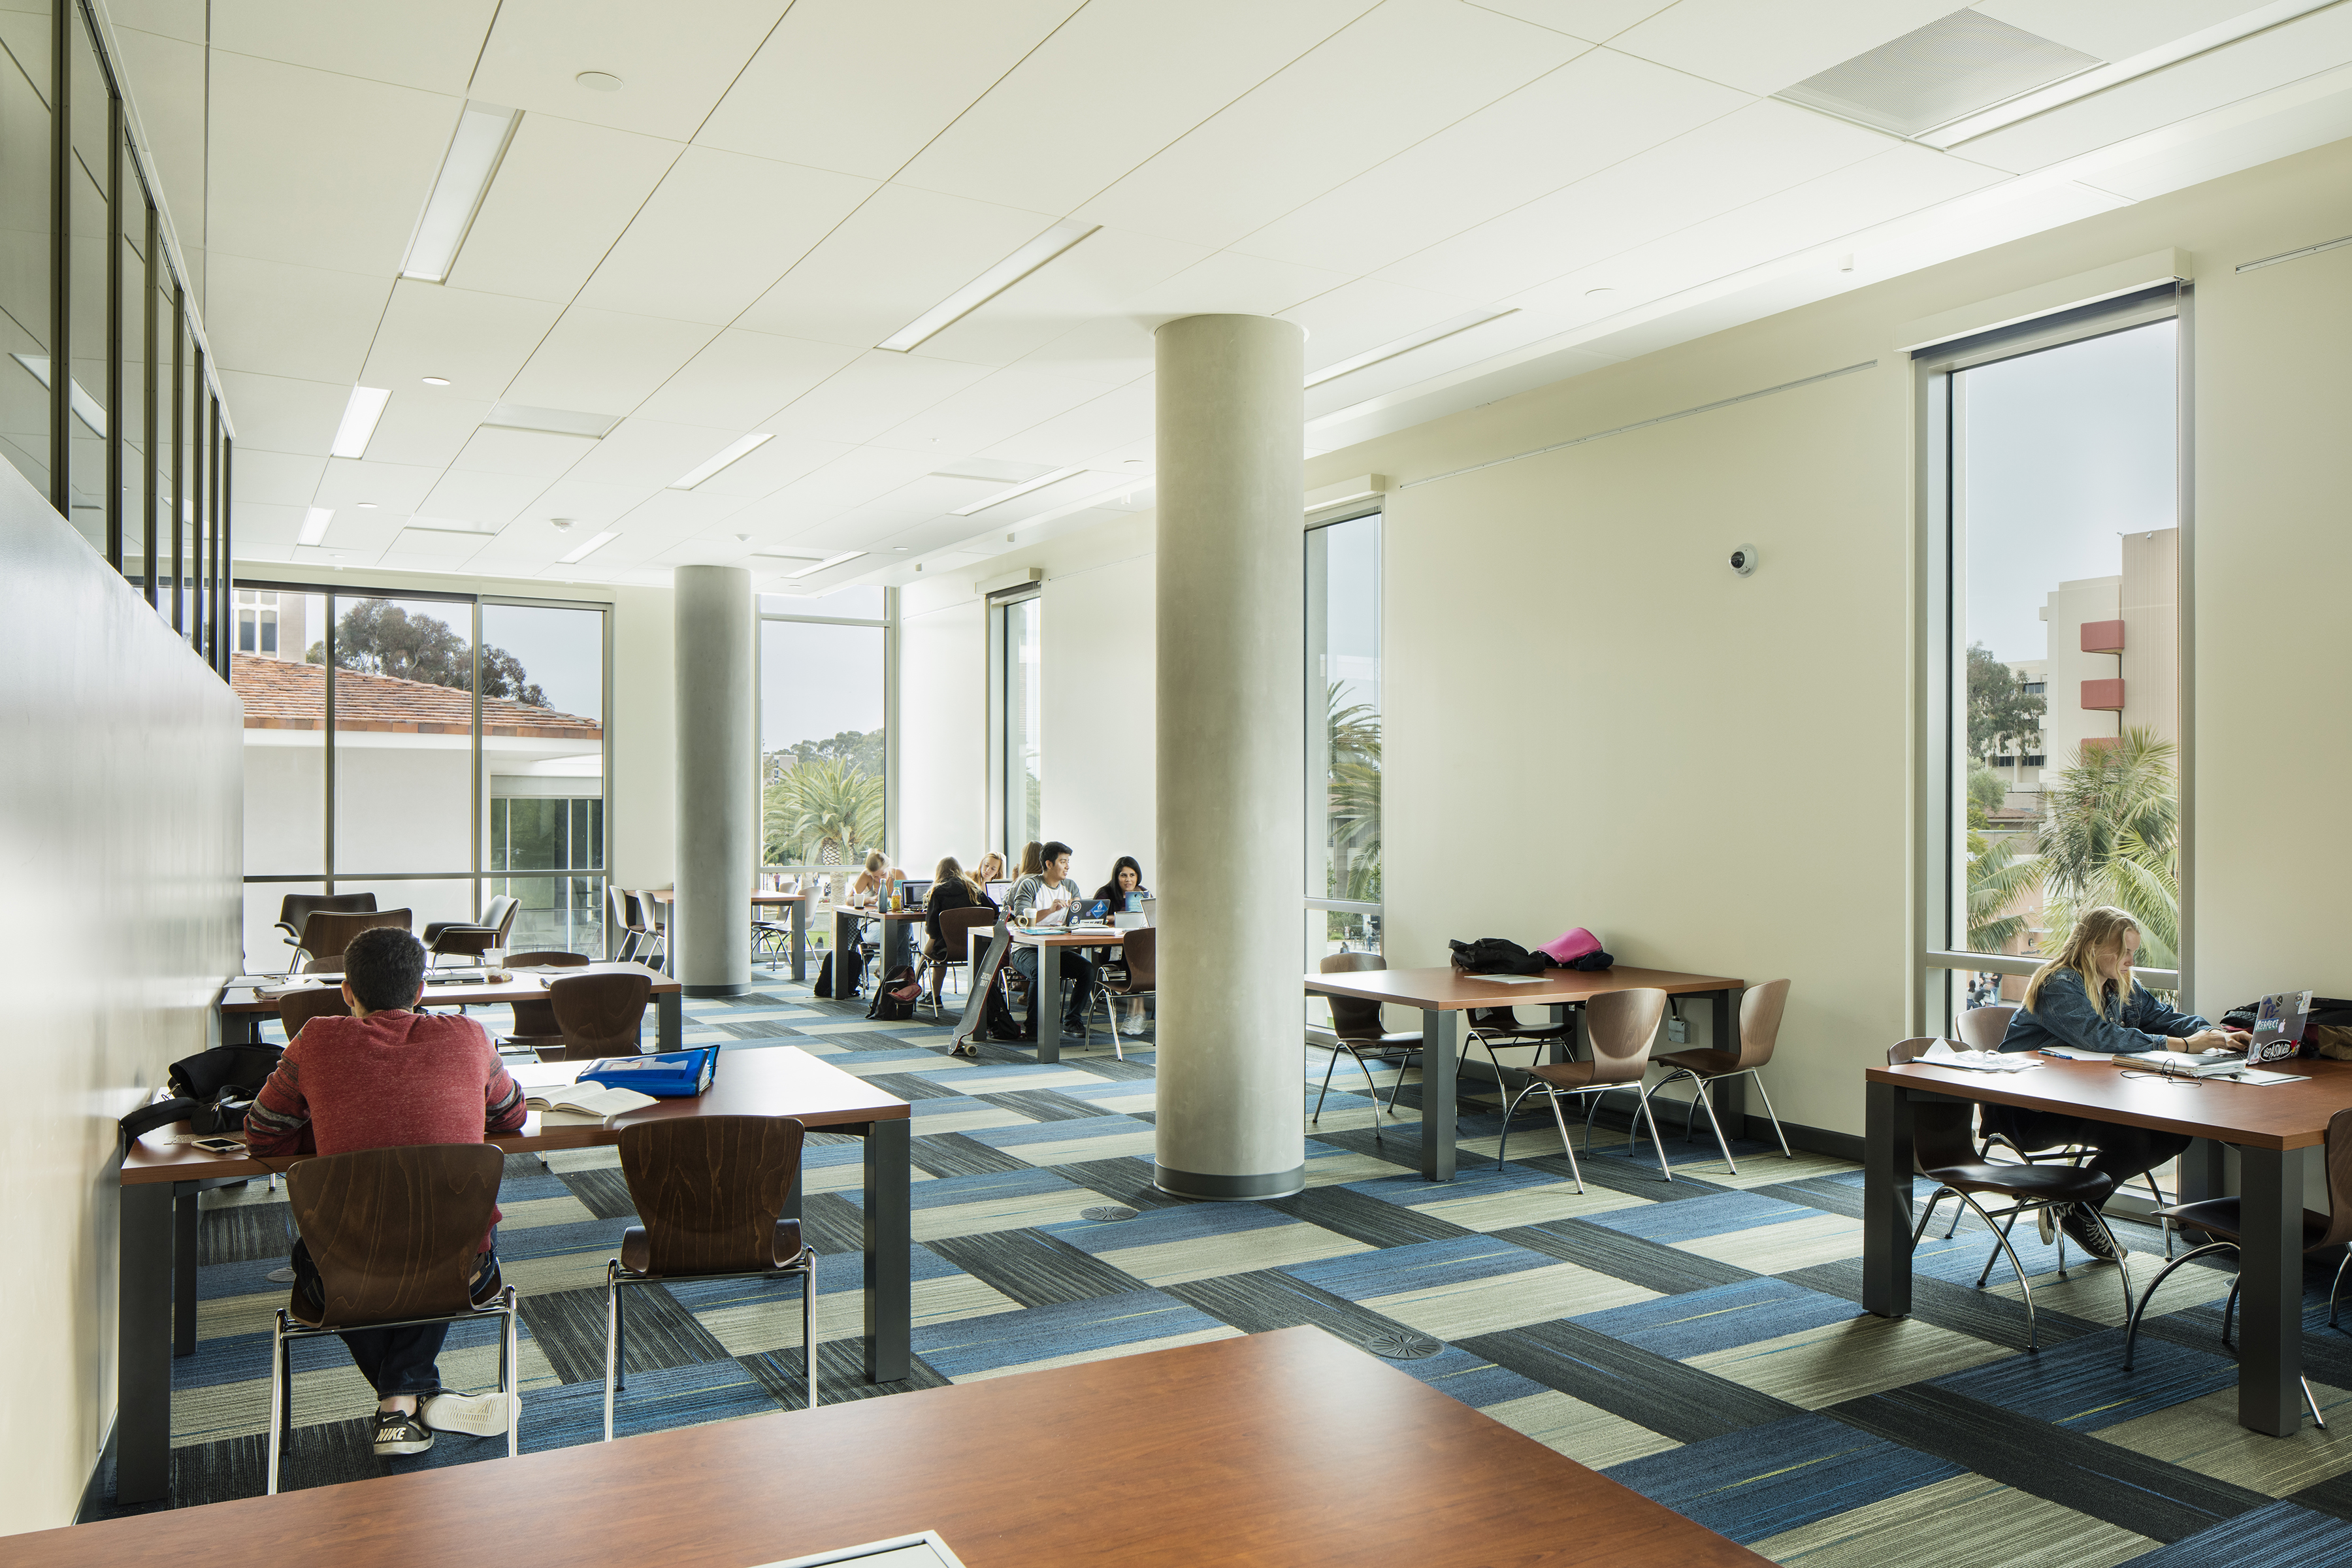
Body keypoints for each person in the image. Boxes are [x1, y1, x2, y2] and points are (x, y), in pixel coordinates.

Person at [242, 927, 526, 1458]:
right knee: (443, 1234)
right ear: (420, 990)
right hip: (460, 1270)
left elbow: (261, 1131)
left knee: (339, 1258)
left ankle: (400, 1401)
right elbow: (512, 1115)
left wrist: (327, 1128)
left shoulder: (315, 1039)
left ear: (348, 991)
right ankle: (413, 1396)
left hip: (343, 1273)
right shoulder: (470, 1036)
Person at [1994, 906, 2242, 1262]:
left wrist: (2218, 1035)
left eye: (2133, 953)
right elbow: (2099, 1037)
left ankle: (2076, 1208)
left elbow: (2166, 1019)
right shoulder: (2060, 984)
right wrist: (2186, 1047)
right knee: (2138, 1137)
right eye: (2124, 952)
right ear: (2095, 946)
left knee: (2174, 1133)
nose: (2130, 960)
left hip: (2082, 1099)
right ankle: (2080, 1207)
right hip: (2028, 1110)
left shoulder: (2121, 984)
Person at [1007, 840, 1096, 1039]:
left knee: (1087, 970)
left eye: (1068, 862)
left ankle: (1072, 1021)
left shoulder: (1070, 886)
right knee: (1042, 970)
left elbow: (1077, 919)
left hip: (1058, 950)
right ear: (1049, 864)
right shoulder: (1030, 884)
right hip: (1026, 949)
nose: (1067, 866)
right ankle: (1034, 1027)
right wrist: (1050, 910)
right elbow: (1021, 920)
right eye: (1063, 862)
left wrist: (1079, 914)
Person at [1091, 857, 1151, 1035]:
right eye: (1123, 875)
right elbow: (1095, 917)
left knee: (1137, 949)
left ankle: (1135, 1013)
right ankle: (1137, 1013)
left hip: (1136, 949)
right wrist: (1117, 917)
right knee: (1133, 951)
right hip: (1110, 950)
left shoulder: (1143, 893)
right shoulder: (1106, 893)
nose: (1128, 880)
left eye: (1132, 875)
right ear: (1116, 877)